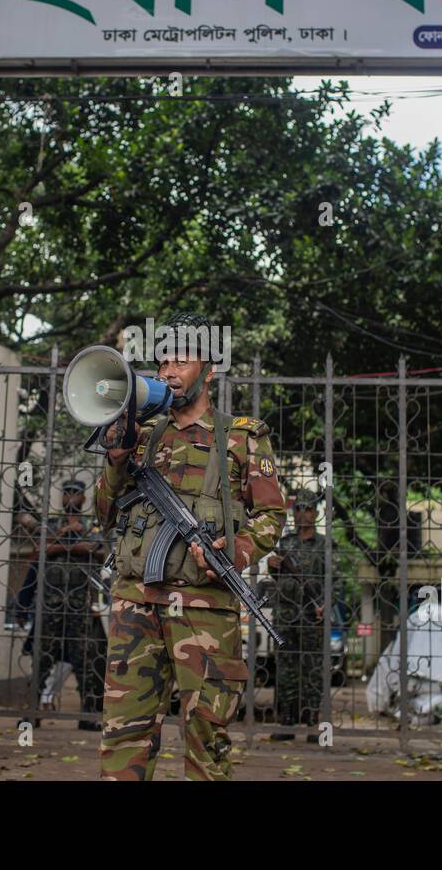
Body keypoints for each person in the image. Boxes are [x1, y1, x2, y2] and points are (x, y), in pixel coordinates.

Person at [93, 311, 286, 780]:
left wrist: (237, 551)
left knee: (207, 737)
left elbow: (272, 515)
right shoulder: (139, 436)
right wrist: (117, 460)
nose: (169, 371)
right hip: (136, 604)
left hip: (206, 610)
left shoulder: (241, 438)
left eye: (182, 359)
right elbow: (104, 512)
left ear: (210, 369)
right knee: (124, 736)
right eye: (163, 361)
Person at [30, 479, 109, 729]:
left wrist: (64, 545)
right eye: (67, 493)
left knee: (84, 660)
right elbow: (42, 550)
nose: (71, 498)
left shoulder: (90, 526)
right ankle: (32, 713)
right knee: (42, 657)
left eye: (76, 494)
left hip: (79, 601)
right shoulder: (52, 524)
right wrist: (64, 535)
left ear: (84, 499)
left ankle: (87, 716)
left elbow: (98, 550)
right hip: (50, 602)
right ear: (62, 497)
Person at [268, 488, 327, 741]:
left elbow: (334, 580)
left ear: (315, 513)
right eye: (299, 509)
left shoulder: (325, 545)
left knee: (311, 668)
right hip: (285, 614)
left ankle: (312, 721)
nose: (303, 513)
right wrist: (274, 569)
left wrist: (325, 604)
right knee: (285, 668)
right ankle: (287, 721)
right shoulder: (285, 543)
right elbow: (280, 579)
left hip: (311, 616)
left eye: (308, 509)